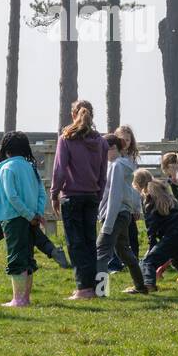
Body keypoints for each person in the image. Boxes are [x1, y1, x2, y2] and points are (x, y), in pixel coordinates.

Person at [51, 99, 109, 299]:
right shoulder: (101, 141)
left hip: (72, 196)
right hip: (91, 196)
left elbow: (59, 170)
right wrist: (98, 194)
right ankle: (95, 287)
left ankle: (83, 288)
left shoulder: (66, 138)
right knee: (89, 242)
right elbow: (103, 173)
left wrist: (54, 194)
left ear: (73, 115)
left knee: (75, 244)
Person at [0, 131, 47, 308]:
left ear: (6, 149)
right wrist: (36, 214)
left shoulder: (7, 168)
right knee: (28, 258)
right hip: (32, 218)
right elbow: (41, 192)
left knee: (16, 259)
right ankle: (26, 298)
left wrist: (28, 216)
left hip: (14, 219)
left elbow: (12, 197)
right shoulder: (31, 167)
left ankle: (18, 299)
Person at [133, 167, 178, 290]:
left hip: (174, 234)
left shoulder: (149, 198)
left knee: (148, 261)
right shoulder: (163, 192)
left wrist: (151, 248)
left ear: (137, 185)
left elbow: (152, 226)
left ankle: (148, 284)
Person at [95, 134, 148, 295]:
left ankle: (100, 292)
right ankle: (141, 286)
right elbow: (130, 192)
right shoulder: (118, 165)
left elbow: (115, 195)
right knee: (124, 251)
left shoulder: (118, 166)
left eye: (104, 149)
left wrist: (108, 223)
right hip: (121, 214)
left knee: (101, 251)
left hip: (115, 215)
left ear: (113, 148)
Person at [106, 125, 143, 271]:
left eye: (128, 139)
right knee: (114, 235)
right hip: (114, 201)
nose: (125, 142)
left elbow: (135, 185)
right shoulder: (112, 157)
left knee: (131, 233)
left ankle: (134, 260)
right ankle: (115, 263)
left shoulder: (131, 159)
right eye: (122, 139)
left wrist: (137, 206)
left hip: (128, 201)